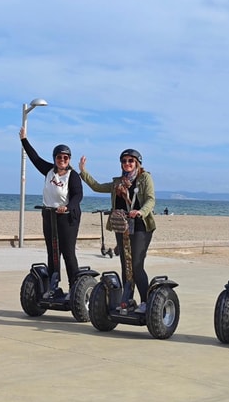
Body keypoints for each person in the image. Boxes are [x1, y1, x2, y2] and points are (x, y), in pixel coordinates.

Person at [79, 149, 156, 313]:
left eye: (130, 161)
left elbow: (150, 199)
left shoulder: (144, 178)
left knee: (136, 265)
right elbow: (97, 187)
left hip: (141, 226)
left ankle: (145, 301)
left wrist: (141, 211)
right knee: (125, 265)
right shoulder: (118, 182)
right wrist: (83, 172)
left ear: (137, 163)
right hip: (122, 226)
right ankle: (128, 301)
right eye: (124, 161)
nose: (127, 163)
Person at [19, 127, 82, 291]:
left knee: (67, 252)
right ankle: (53, 286)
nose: (62, 160)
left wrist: (67, 207)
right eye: (59, 157)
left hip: (68, 217)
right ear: (54, 158)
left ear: (69, 159)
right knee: (53, 251)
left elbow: (78, 196)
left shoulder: (72, 176)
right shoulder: (48, 171)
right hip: (49, 215)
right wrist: (24, 140)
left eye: (65, 157)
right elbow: (34, 158)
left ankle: (74, 287)